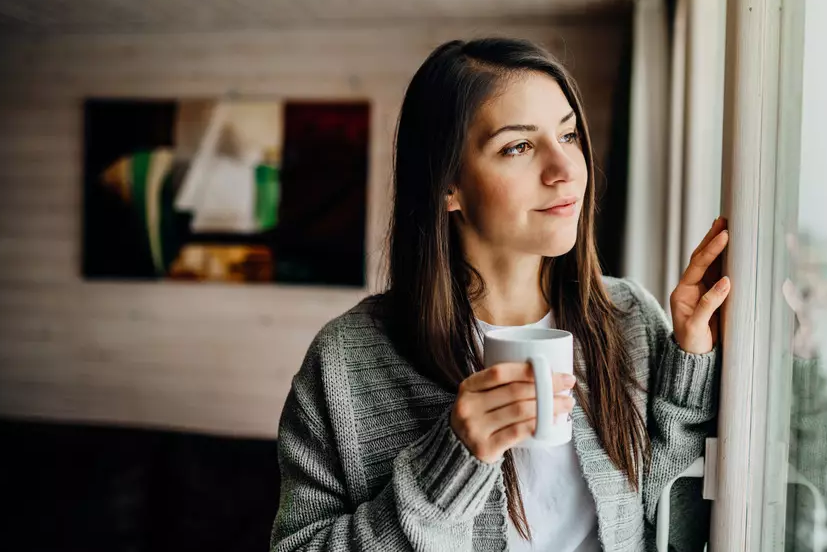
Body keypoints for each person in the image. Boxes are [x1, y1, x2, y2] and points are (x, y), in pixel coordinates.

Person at [269, 38, 731, 552]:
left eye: (569, 134)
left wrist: (689, 360)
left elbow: (679, 535)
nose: (565, 169)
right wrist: (450, 463)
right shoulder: (345, 362)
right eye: (518, 146)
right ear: (448, 185)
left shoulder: (630, 319)